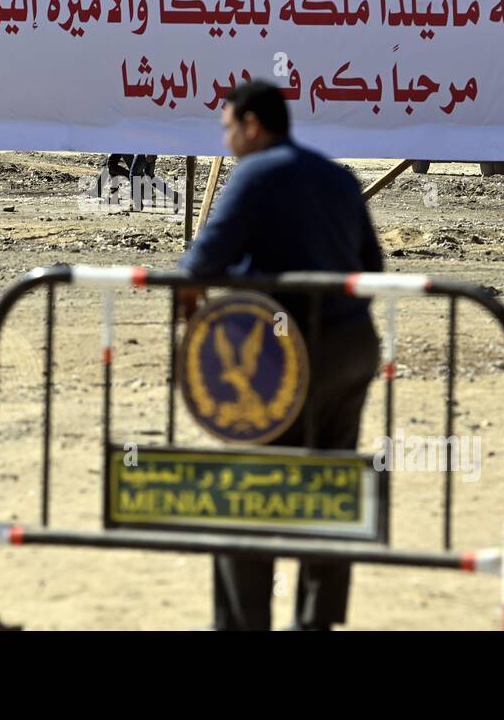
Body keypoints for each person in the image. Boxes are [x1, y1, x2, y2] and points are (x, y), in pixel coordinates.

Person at [178, 79, 383, 631]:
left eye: (227, 130)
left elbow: (203, 261)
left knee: (248, 488)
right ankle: (316, 622)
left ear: (251, 125)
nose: (227, 144)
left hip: (286, 358)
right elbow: (373, 269)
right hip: (354, 346)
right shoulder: (335, 176)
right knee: (329, 489)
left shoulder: (255, 174)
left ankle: (244, 624)